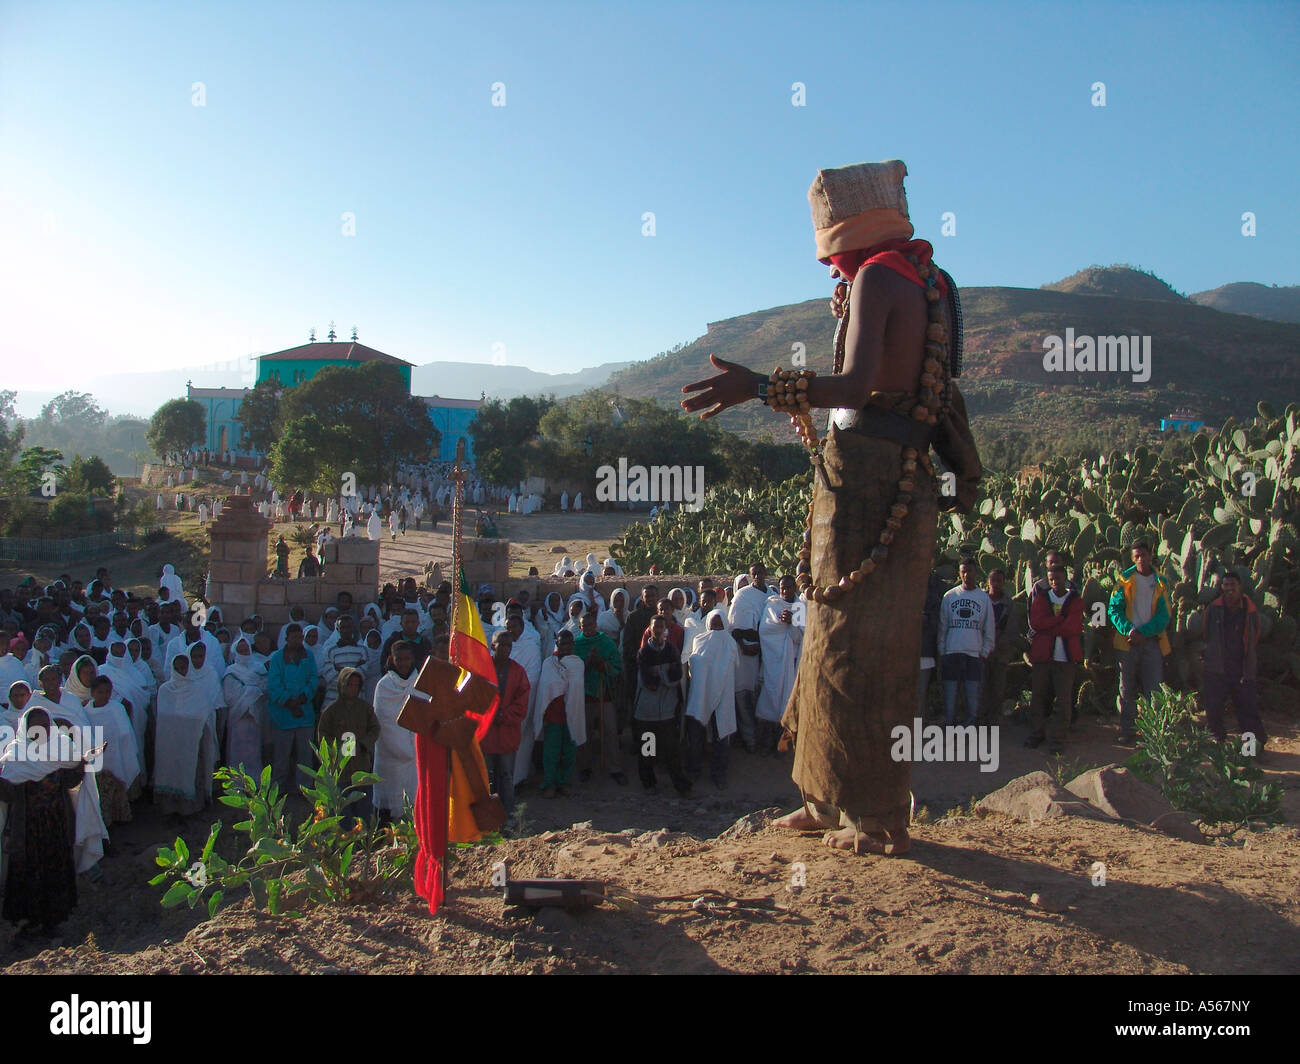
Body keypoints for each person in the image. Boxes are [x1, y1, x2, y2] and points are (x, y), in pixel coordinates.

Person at [680, 158, 980, 855]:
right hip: (888, 473)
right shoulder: (925, 280)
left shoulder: (880, 276)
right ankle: (821, 798)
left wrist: (763, 386)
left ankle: (873, 814)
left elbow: (857, 383)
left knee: (861, 647)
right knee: (835, 641)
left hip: (873, 476)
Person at [0, 706, 88, 937]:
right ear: (26, 728)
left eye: (45, 725)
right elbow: (8, 793)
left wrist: (81, 765)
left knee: (54, 867)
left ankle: (53, 919)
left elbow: (69, 782)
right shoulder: (16, 754)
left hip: (55, 821)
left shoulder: (62, 748)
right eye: (35, 726)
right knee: (27, 869)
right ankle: (29, 920)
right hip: (28, 824)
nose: (40, 730)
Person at [1108, 541, 1171, 746]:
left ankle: (1155, 731)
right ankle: (1127, 730)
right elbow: (1113, 610)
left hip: (1151, 642)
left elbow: (1164, 615)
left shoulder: (1160, 582)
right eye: (1137, 556)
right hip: (1127, 642)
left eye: (1144, 554)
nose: (1141, 559)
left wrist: (1143, 632)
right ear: (1132, 558)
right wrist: (1130, 630)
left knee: (1155, 689)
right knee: (1126, 689)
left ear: (1151, 555)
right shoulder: (1124, 580)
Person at [1201, 571, 1267, 754]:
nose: (1230, 589)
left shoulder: (1250, 610)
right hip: (1216, 668)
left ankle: (1252, 750)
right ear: (1222, 588)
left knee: (1248, 711)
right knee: (1213, 709)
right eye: (1226, 585)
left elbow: (1255, 635)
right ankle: (1217, 746)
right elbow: (1206, 634)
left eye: (1233, 585)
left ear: (1240, 587)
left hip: (1243, 668)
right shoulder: (1213, 609)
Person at [1025, 564, 1084, 754]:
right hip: (1043, 656)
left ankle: (1058, 737)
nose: (1054, 582)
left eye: (1057, 578)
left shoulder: (1074, 599)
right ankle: (1037, 732)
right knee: (1039, 696)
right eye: (1051, 579)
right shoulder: (1042, 597)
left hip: (1065, 658)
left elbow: (1074, 627)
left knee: (1064, 699)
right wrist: (1060, 620)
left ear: (1064, 579)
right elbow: (1036, 622)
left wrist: (1049, 626)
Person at [153, 654, 219, 816]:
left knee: (191, 772)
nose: (182, 671)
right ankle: (170, 809)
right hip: (171, 744)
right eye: (178, 668)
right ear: (173, 668)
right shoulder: (165, 690)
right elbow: (162, 719)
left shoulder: (198, 689)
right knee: (172, 772)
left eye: (184, 667)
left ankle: (192, 809)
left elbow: (207, 714)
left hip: (192, 742)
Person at [634, 616, 691, 796]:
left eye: (661, 626)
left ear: (665, 629)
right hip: (647, 712)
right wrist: (664, 677)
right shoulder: (644, 653)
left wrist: (660, 676)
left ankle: (681, 786)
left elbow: (676, 676)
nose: (658, 630)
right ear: (650, 629)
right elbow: (647, 682)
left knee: (672, 750)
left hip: (667, 711)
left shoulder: (671, 650)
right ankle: (648, 783)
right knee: (647, 750)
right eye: (655, 627)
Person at [937, 558, 996, 726]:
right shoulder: (949, 596)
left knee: (972, 693)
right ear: (959, 573)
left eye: (970, 571)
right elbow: (943, 625)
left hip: (974, 653)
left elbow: (989, 628)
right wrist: (942, 649)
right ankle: (950, 723)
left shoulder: (983, 598)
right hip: (951, 651)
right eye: (963, 571)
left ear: (976, 573)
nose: (967, 574)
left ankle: (971, 723)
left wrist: (984, 651)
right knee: (950, 692)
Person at [317, 667, 381, 819]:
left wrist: (363, 744)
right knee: (342, 814)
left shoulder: (365, 708)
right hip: (340, 770)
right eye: (349, 685)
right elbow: (322, 734)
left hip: (361, 766)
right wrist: (336, 749)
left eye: (355, 685)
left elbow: (375, 728)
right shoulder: (331, 711)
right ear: (341, 685)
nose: (352, 689)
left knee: (364, 812)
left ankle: (364, 841)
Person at [684, 609, 738, 788]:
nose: (716, 627)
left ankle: (719, 774)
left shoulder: (730, 644)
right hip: (701, 694)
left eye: (719, 623)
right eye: (713, 623)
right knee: (696, 736)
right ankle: (694, 771)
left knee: (721, 736)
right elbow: (694, 664)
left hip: (724, 696)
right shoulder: (699, 641)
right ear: (708, 624)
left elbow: (734, 666)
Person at [480, 631, 530, 816]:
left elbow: (522, 700)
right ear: (493, 645)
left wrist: (505, 716)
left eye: (509, 645)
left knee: (507, 776)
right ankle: (487, 816)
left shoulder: (518, 671)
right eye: (501, 645)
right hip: (486, 733)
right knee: (486, 777)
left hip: (507, 732)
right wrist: (490, 714)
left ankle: (507, 814)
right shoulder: (482, 670)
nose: (505, 649)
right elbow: (474, 697)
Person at [265, 624, 319, 793]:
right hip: (283, 715)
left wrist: (302, 698)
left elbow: (313, 679)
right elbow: (273, 685)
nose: (297, 640)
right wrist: (290, 703)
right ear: (287, 638)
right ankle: (278, 789)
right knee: (281, 756)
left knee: (305, 756)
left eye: (299, 637)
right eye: (294, 637)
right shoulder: (277, 658)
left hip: (304, 714)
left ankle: (305, 788)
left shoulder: (308, 656)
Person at [573, 611, 625, 785]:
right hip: (585, 695)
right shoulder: (577, 644)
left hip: (604, 693)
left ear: (596, 625)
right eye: (584, 626)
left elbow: (617, 665)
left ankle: (615, 768)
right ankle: (585, 767)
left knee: (610, 731)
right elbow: (573, 669)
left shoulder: (605, 642)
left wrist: (601, 664)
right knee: (584, 733)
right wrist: (587, 662)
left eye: (590, 625)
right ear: (579, 627)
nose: (587, 628)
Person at [755, 576, 805, 754]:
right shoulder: (772, 605)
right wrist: (781, 623)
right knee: (769, 697)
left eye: (789, 588)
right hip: (773, 662)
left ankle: (782, 745)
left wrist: (793, 623)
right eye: (782, 588)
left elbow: (801, 638)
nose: (785, 591)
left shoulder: (800, 607)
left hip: (790, 664)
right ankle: (764, 743)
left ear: (794, 588)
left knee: (787, 699)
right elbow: (765, 631)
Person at [371, 641, 419, 818]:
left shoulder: (421, 682)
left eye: (407, 659)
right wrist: (401, 748)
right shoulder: (383, 686)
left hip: (415, 755)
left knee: (414, 804)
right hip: (390, 757)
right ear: (392, 659)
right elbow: (385, 722)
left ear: (413, 659)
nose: (404, 663)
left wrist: (413, 747)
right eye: (400, 659)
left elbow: (423, 716)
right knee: (388, 810)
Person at [535, 631, 585, 798]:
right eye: (563, 643)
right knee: (551, 752)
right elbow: (548, 686)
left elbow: (576, 686)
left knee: (569, 751)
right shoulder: (549, 663)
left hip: (572, 711)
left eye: (569, 643)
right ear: (557, 643)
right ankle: (550, 783)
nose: (566, 647)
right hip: (553, 712)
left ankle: (565, 782)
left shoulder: (578, 663)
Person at [727, 566, 768, 751]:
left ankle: (764, 739)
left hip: (768, 653)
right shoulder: (743, 595)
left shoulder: (772, 596)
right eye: (755, 574)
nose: (758, 576)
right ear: (751, 576)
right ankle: (750, 740)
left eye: (761, 572)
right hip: (745, 655)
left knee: (764, 696)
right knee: (744, 696)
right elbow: (734, 626)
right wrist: (744, 645)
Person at [223, 637, 268, 777]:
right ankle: (237, 784)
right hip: (239, 718)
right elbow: (230, 696)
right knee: (237, 752)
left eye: (246, 649)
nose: (244, 652)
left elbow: (264, 688)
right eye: (240, 650)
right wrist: (251, 692)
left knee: (254, 752)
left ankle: (255, 783)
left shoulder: (258, 667)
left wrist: (249, 691)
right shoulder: (231, 671)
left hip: (255, 717)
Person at [979, 568, 1014, 725]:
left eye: (999, 581)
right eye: (993, 580)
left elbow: (1012, 629)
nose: (996, 584)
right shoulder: (980, 600)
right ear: (988, 582)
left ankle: (994, 719)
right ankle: (981, 718)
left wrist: (1000, 643)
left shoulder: (1009, 604)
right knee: (981, 686)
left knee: (998, 687)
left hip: (1001, 652)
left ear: (1004, 583)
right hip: (981, 651)